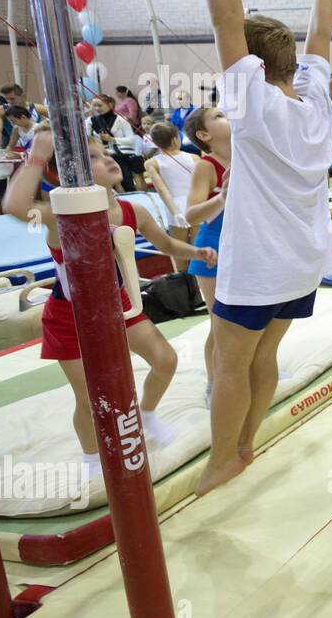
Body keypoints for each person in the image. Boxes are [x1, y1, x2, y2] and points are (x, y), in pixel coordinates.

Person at [180, 0, 332, 495]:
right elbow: (321, 29)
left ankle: (225, 457)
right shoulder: (318, 98)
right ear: (292, 63)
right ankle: (246, 442)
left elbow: (226, 20)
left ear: (250, 64)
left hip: (259, 263)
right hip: (304, 261)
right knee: (263, 353)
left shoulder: (250, 106)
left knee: (227, 360)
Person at [3, 129, 217, 477]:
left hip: (119, 307)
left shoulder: (134, 210)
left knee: (166, 359)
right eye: (93, 158)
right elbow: (14, 207)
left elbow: (166, 245)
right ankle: (91, 457)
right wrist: (38, 155)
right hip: (68, 317)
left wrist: (198, 252)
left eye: (106, 153)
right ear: (72, 173)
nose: (107, 159)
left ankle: (146, 413)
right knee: (89, 399)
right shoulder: (63, 214)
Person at [183, 106, 230, 408]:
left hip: (246, 251)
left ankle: (252, 370)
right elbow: (191, 215)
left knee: (253, 321)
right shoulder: (207, 166)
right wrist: (223, 197)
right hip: (213, 252)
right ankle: (215, 381)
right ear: (204, 135)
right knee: (221, 324)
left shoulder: (247, 157)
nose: (228, 117)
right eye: (219, 116)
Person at [144, 122, 200, 271]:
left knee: (180, 252)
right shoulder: (194, 158)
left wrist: (175, 212)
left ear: (155, 143)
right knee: (198, 249)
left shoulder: (152, 163)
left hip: (175, 206)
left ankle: (186, 287)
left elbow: (162, 190)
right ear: (176, 139)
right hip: (196, 204)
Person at [88, 93, 146, 191]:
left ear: (110, 105)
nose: (97, 108)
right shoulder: (90, 121)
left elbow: (131, 140)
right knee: (117, 182)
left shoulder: (121, 119)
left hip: (127, 153)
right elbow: (88, 139)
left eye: (100, 105)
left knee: (135, 178)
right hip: (108, 155)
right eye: (94, 105)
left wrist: (112, 139)